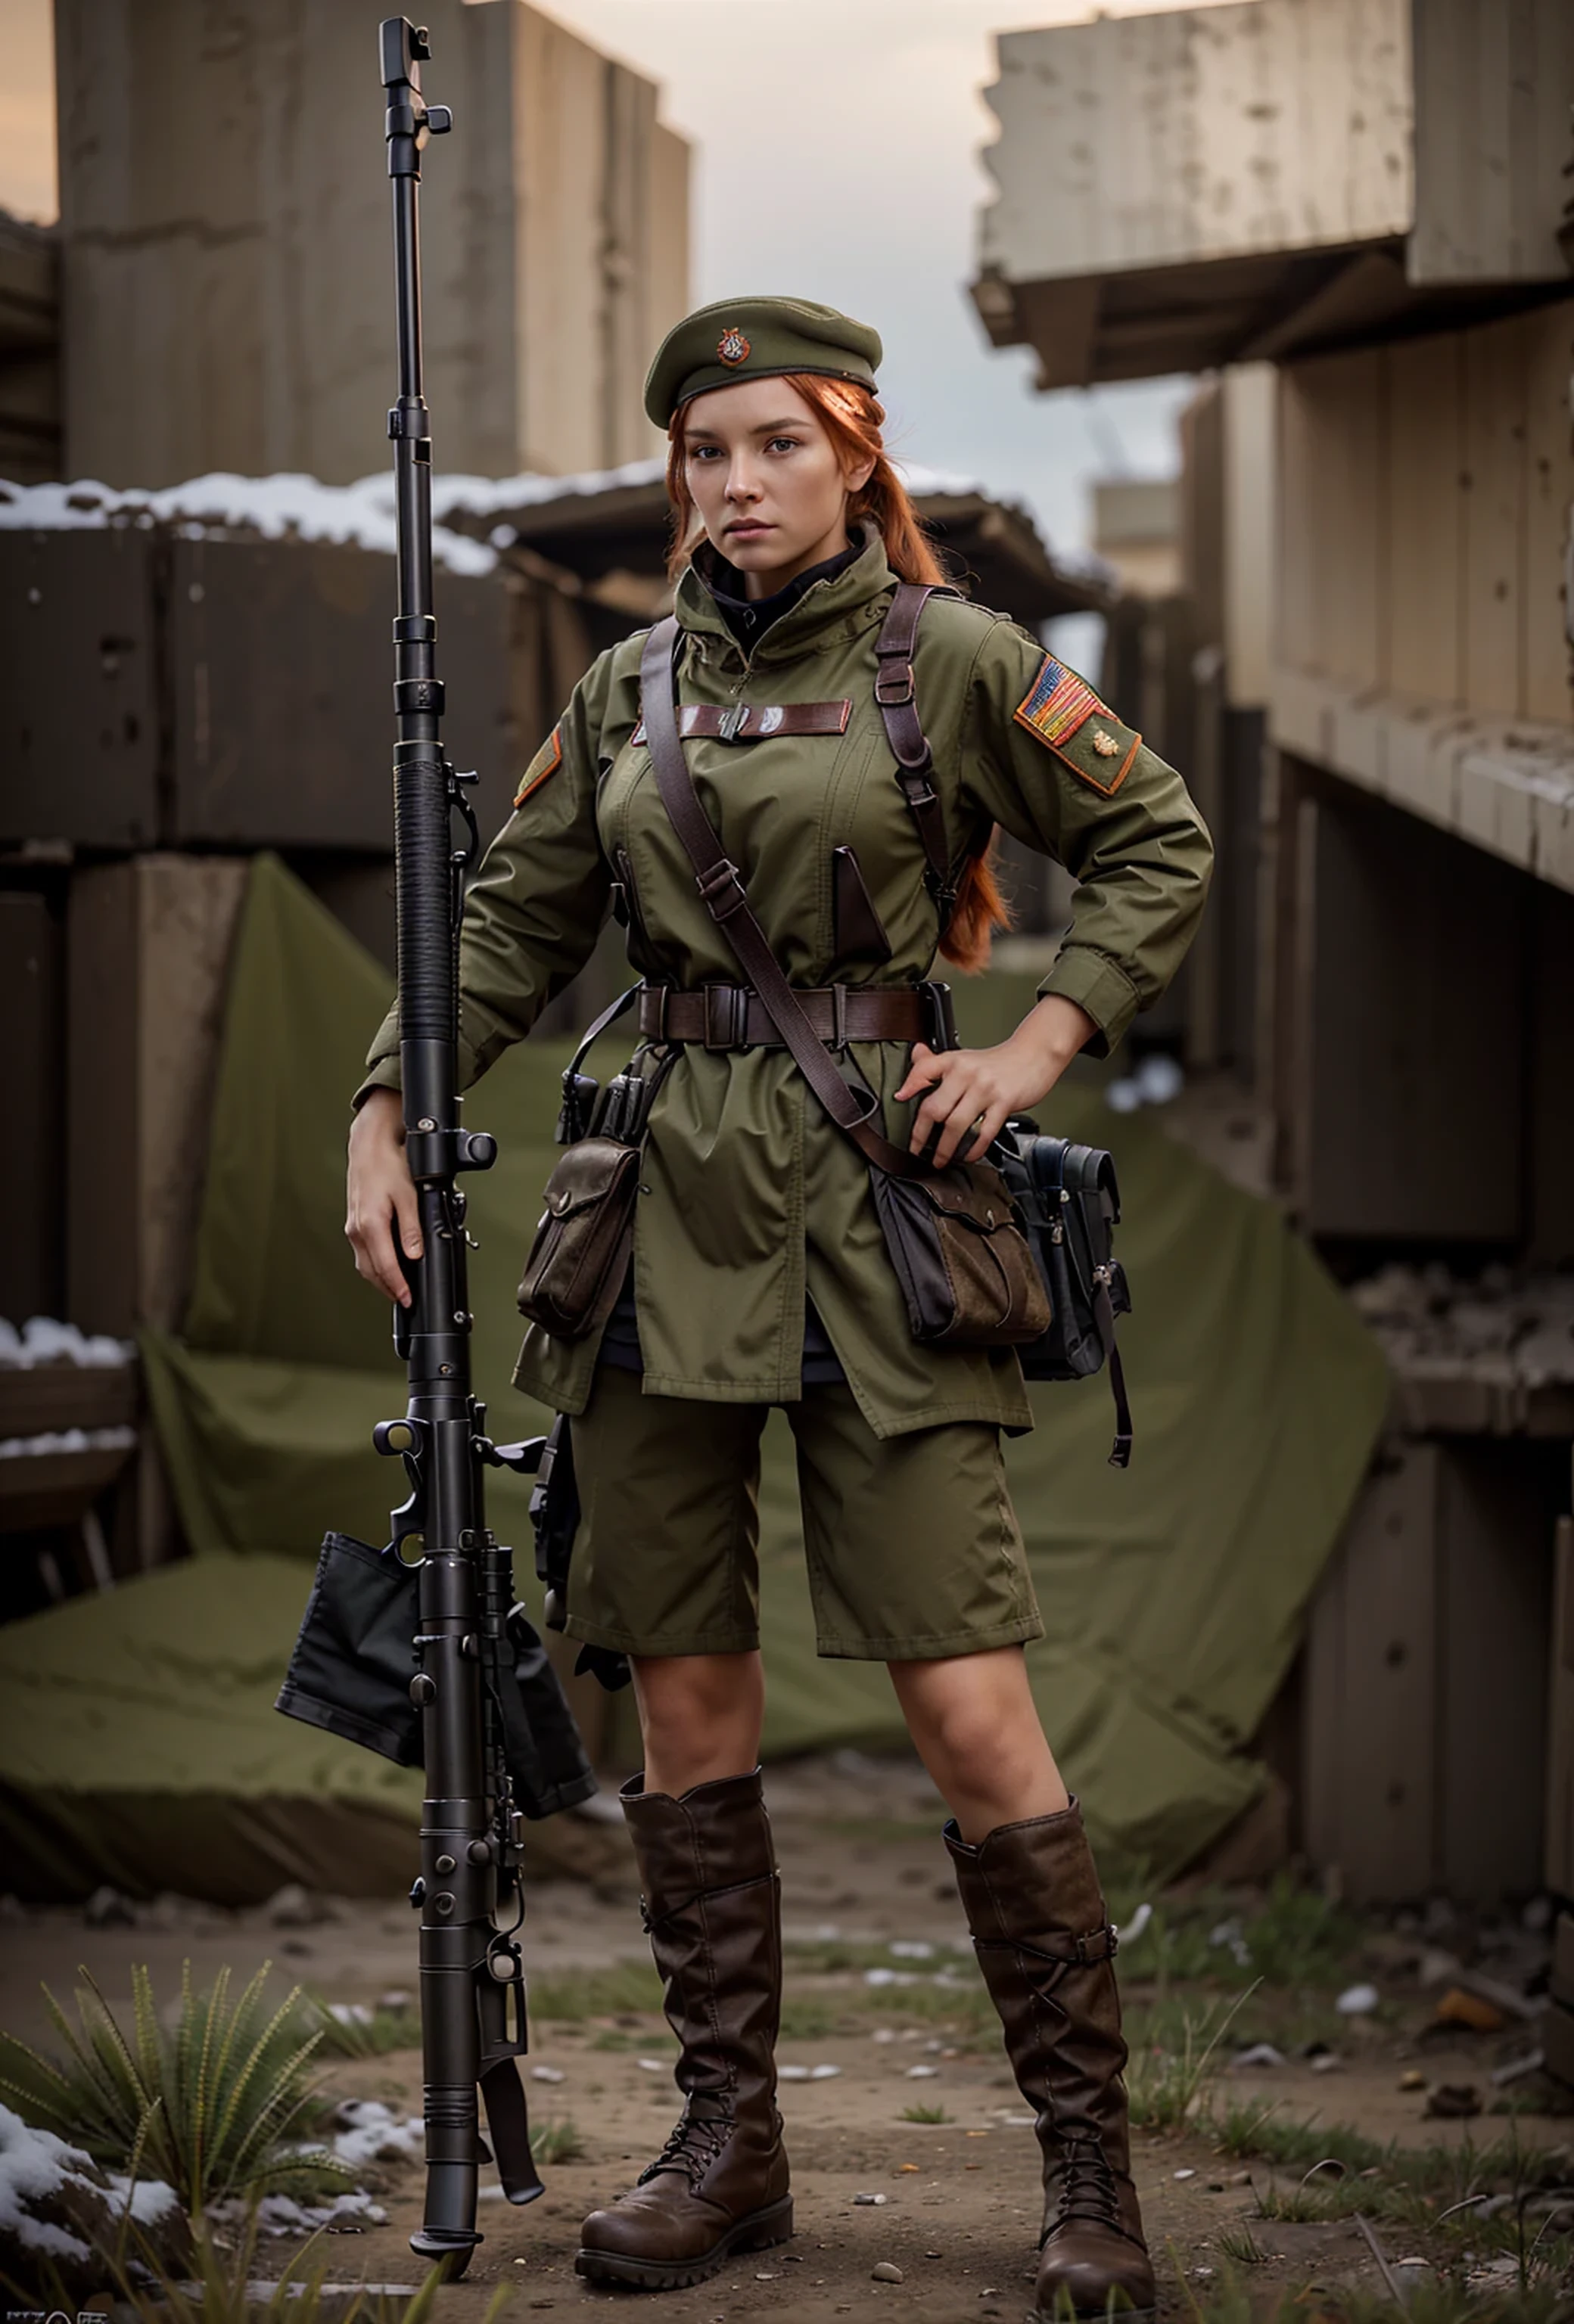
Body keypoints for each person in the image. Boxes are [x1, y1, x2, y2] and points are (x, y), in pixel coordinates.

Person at [347, 295, 1212, 2319]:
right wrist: (386, 1101)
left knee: (968, 1708)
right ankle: (728, 2150)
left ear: (855, 454)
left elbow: (1154, 837)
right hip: (658, 1229)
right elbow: (509, 923)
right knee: (686, 1699)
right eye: (705, 454)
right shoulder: (627, 688)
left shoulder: (953, 659)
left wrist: (1036, 1047)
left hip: (891, 1223)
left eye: (777, 445)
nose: (738, 485)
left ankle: (1091, 2180)